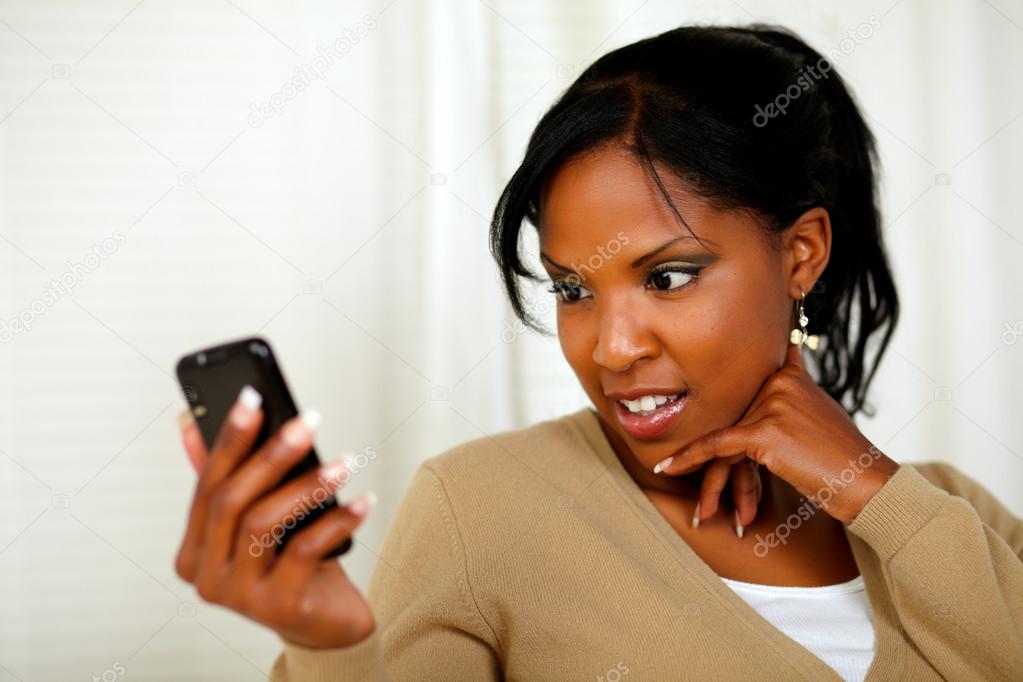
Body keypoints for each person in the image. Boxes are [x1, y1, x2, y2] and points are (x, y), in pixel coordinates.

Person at [174, 24, 1023, 681]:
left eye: (668, 277)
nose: (611, 349)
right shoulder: (481, 509)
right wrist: (329, 647)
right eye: (573, 289)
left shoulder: (953, 514)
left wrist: (872, 490)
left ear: (800, 254)